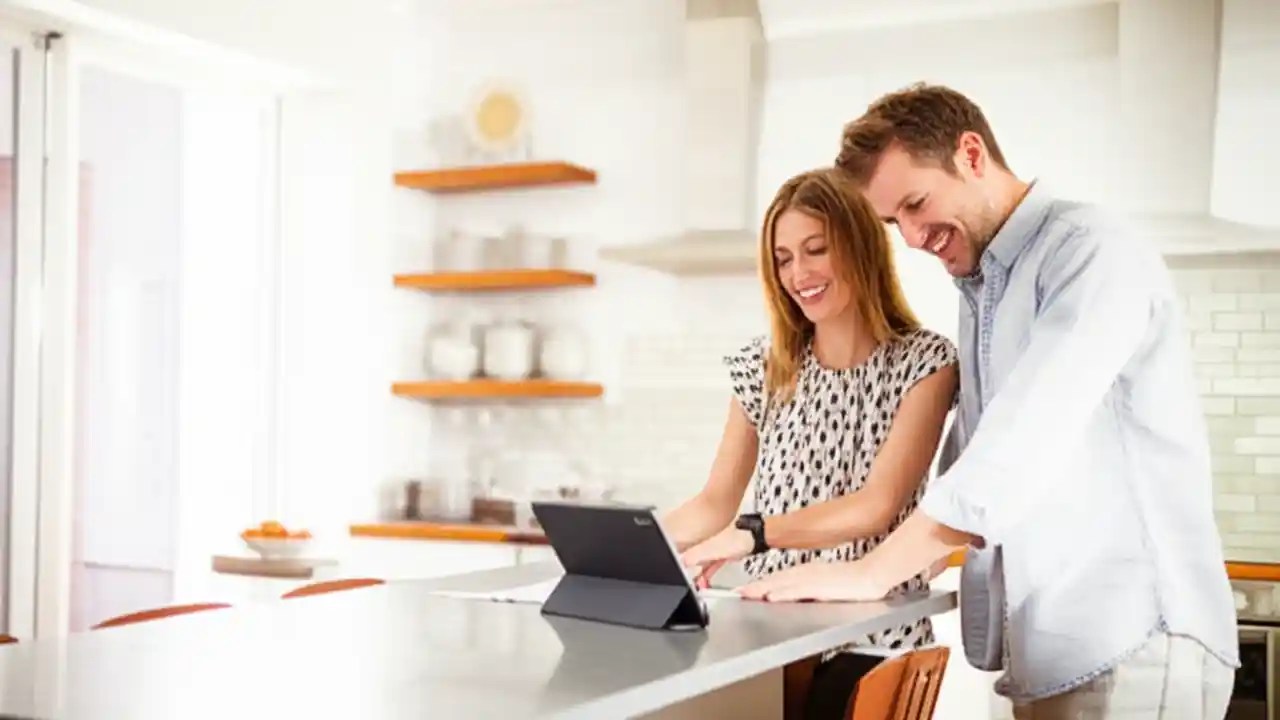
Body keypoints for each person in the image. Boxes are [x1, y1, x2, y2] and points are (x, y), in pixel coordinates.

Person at [739, 83, 1240, 718]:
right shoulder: (986, 287)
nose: (915, 237)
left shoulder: (1090, 251)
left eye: (917, 204)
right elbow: (972, 456)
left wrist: (871, 571)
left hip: (1131, 638)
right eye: (897, 222)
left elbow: (1021, 442)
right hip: (1056, 648)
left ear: (971, 154)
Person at [662, 167, 959, 719]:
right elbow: (714, 503)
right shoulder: (764, 367)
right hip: (767, 639)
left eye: (815, 250)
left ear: (860, 247)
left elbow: (878, 506)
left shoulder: (925, 363)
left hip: (875, 642)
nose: (798, 273)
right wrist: (635, 549)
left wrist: (754, 536)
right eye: (783, 258)